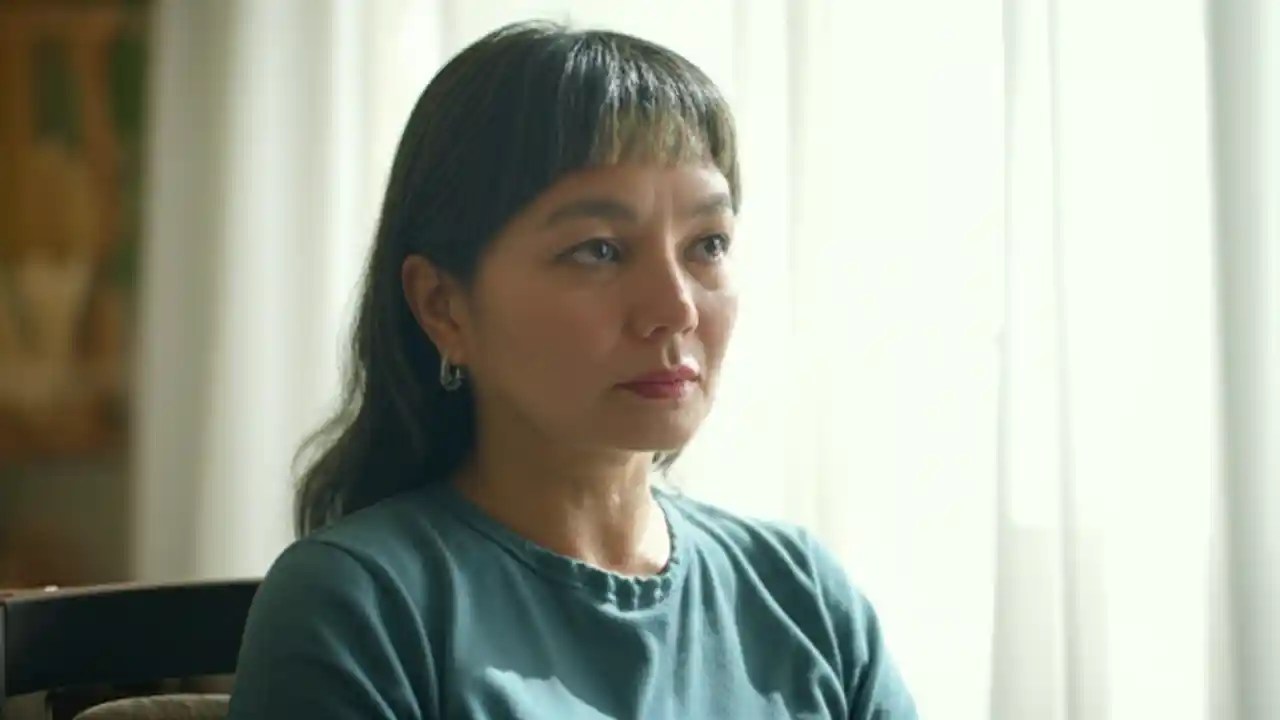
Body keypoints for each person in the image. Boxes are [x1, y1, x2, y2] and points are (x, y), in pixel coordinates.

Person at [227, 20, 917, 720]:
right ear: (444, 306)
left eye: (707, 244)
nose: (674, 309)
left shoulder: (802, 594)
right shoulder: (362, 605)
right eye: (599, 251)